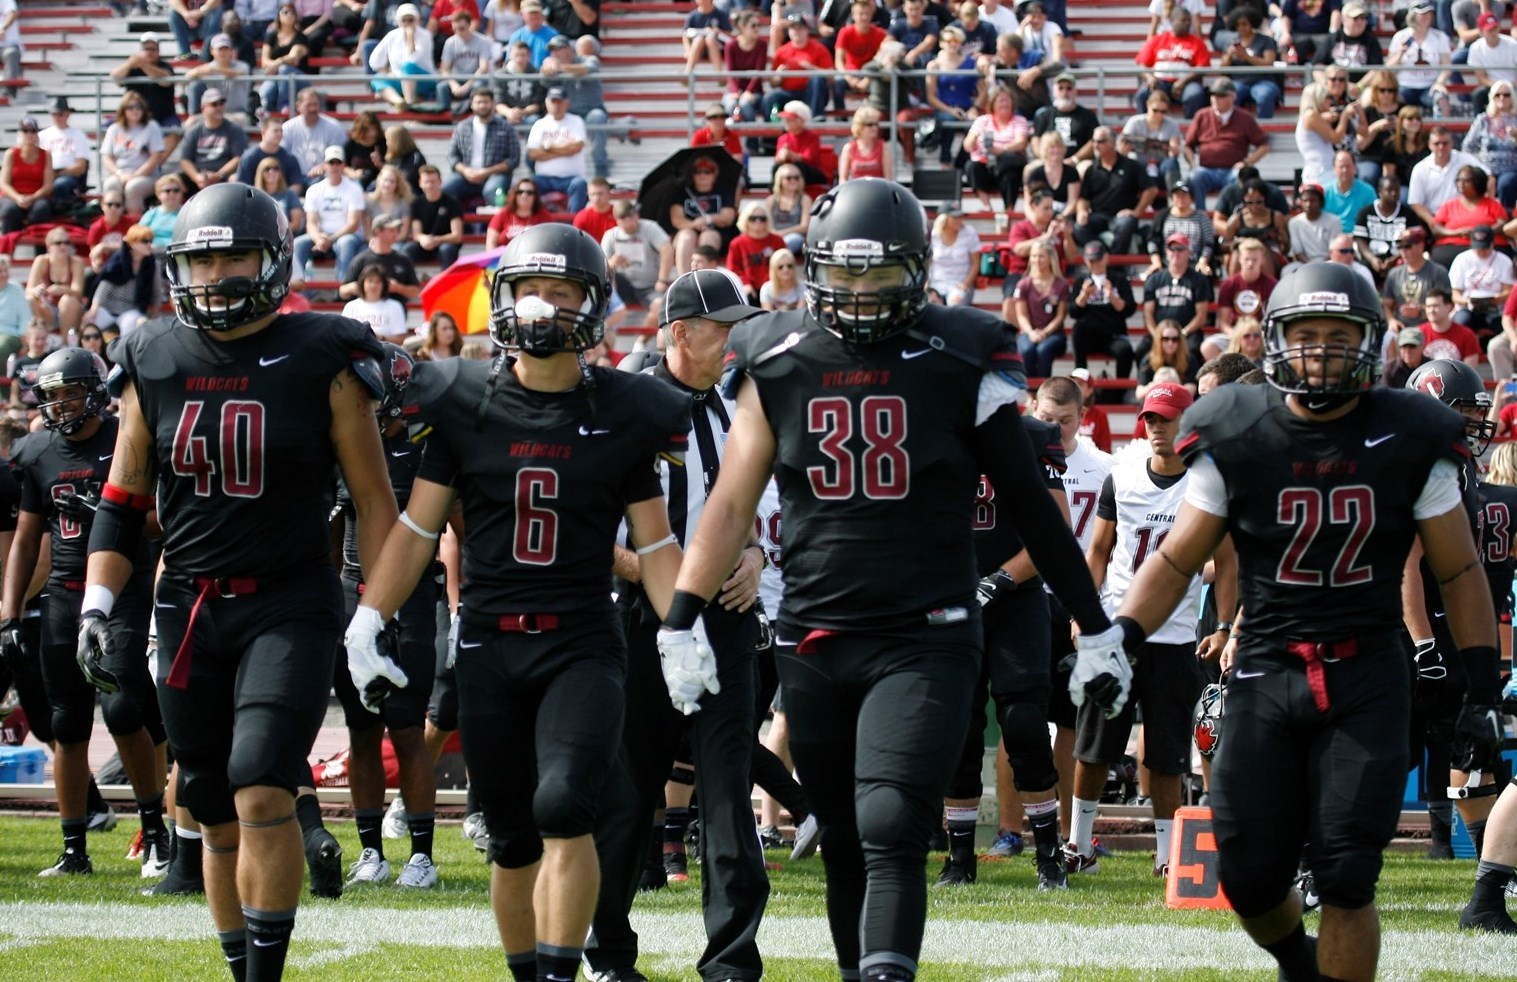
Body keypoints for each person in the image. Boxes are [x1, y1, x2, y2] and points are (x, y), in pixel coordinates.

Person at [1109, 261, 1496, 981]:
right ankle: (1297, 962)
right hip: (1267, 663)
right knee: (1249, 875)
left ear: (1369, 343)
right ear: (1278, 342)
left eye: (1338, 336)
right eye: (1306, 335)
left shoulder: (1412, 433)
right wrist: (1120, 638)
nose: (1321, 352)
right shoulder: (1234, 426)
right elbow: (1177, 558)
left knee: (1346, 872)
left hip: (1366, 670)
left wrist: (1479, 687)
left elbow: (1458, 569)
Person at [345, 222, 688, 982]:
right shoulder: (461, 399)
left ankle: (562, 974)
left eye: (559, 291)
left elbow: (656, 542)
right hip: (489, 644)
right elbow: (416, 529)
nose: (540, 306)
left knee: (564, 805)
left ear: (591, 305)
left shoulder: (628, 407)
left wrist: (681, 626)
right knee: (511, 838)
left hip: (581, 639)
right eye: (527, 289)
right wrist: (369, 616)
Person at [79, 184, 397, 980]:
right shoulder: (153, 355)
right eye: (200, 262)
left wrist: (377, 610)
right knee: (211, 803)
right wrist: (96, 604)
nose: (215, 277)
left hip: (289, 600)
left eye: (235, 259)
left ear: (273, 262)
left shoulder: (324, 353)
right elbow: (122, 500)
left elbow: (373, 500)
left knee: (260, 783)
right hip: (188, 604)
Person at [583, 266, 770, 980]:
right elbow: (590, 527)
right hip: (640, 619)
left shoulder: (735, 409)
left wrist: (752, 556)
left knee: (727, 796)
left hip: (725, 621)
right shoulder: (627, 406)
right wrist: (658, 578)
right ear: (680, 333)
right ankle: (606, 952)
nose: (732, 343)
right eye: (721, 329)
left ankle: (730, 962)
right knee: (629, 792)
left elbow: (751, 510)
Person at [2, 347, 170, 879]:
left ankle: (155, 833)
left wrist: (110, 512)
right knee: (66, 723)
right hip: (62, 595)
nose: (60, 405)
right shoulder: (37, 451)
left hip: (124, 590)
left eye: (70, 393)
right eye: (51, 396)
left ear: (95, 392)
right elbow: (26, 540)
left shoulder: (128, 439)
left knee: (122, 711)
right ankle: (74, 848)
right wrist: (9, 614)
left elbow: (164, 520)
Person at [1069, 381, 1235, 877]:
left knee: (1166, 756)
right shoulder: (1121, 477)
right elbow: (1099, 551)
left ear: (1189, 422)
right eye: (1150, 419)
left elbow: (1228, 562)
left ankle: (1168, 858)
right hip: (1119, 630)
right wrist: (1084, 614)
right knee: (1094, 747)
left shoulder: (1207, 483)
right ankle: (1078, 844)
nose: (1157, 428)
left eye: (1167, 418)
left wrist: (1224, 626)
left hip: (1176, 634)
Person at [1182, 79, 1271, 204]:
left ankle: (1233, 214)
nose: (1215, 99)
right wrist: (1193, 163)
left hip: (1232, 170)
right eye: (1213, 95)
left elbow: (1264, 147)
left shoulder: (1245, 118)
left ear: (1233, 97)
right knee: (1195, 176)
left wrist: (1247, 162)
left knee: (1240, 177)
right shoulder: (1201, 115)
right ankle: (1200, 214)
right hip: (1205, 170)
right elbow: (1187, 145)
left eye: (1221, 95)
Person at [292, 146, 367, 287]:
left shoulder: (354, 189)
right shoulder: (314, 190)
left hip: (346, 235)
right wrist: (319, 238)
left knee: (345, 243)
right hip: (321, 236)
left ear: (343, 165)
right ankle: (298, 288)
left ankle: (343, 288)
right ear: (324, 165)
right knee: (297, 244)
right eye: (331, 163)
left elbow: (353, 224)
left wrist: (330, 239)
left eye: (338, 162)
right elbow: (311, 222)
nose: (334, 166)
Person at [1074, 125, 1149, 255]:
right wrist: (1081, 211)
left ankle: (1115, 262)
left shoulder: (1131, 166)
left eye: (1100, 141)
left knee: (1127, 222)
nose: (1095, 145)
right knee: (1078, 228)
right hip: (1098, 216)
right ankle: (1103, 254)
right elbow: (1084, 197)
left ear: (1112, 143)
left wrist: (1136, 212)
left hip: (1121, 216)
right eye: (1093, 141)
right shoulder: (1091, 169)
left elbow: (1151, 189)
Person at [444, 87, 521, 207]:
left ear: (493, 103)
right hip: (465, 176)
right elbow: (452, 156)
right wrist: (466, 171)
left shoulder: (506, 128)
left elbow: (514, 159)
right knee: (444, 191)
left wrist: (487, 172)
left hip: (495, 176)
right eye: (478, 102)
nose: (482, 105)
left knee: (495, 194)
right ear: (472, 104)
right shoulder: (462, 127)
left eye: (485, 102)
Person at [1069, 240, 1135, 381]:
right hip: (1089, 337)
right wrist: (1084, 295)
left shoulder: (1119, 279)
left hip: (1113, 335)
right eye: (1091, 260)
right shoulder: (1081, 281)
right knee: (1078, 328)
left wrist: (1112, 296)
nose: (1095, 264)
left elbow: (1129, 310)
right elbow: (1073, 312)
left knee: (1125, 351)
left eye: (1098, 259)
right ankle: (1081, 380)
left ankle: (1119, 391)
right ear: (1085, 260)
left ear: (1105, 258)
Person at [964, 86, 1032, 221]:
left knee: (1011, 173)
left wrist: (1001, 149)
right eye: (1001, 100)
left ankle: (1009, 209)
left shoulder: (1019, 120)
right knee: (972, 166)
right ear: (992, 103)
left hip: (1007, 165)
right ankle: (986, 205)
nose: (1005, 104)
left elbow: (1021, 143)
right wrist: (975, 137)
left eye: (1007, 100)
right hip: (985, 163)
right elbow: (967, 145)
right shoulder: (982, 121)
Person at [110, 33, 182, 161]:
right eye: (146, 49)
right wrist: (129, 63)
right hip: (133, 117)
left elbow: (166, 80)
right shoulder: (132, 68)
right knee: (106, 127)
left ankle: (155, 165)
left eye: (153, 49)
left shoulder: (165, 67)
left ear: (158, 51)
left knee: (176, 131)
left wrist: (144, 65)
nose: (149, 52)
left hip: (162, 117)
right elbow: (115, 77)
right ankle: (125, 163)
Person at [1133, 7, 1210, 118]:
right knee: (1143, 94)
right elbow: (1142, 65)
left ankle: (1191, 126)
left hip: (1187, 83)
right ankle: (1143, 125)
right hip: (1160, 82)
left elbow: (1202, 68)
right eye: (1183, 20)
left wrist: (1183, 81)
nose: (1187, 23)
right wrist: (1149, 77)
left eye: (1188, 21)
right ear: (1172, 20)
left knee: (1195, 95)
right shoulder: (1157, 40)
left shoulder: (1197, 42)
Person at [668, 155, 737, 276]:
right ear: (692, 174)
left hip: (716, 232)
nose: (702, 175)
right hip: (688, 230)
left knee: (708, 236)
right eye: (698, 171)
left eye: (707, 171)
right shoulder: (683, 192)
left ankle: (704, 277)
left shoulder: (723, 191)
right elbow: (677, 220)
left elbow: (728, 217)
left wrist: (708, 219)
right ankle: (684, 278)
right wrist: (694, 224)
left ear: (714, 174)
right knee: (687, 236)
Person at [101, 94, 167, 218]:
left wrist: (135, 175)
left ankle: (133, 224)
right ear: (123, 110)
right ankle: (113, 223)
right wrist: (119, 173)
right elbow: (106, 157)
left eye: (139, 107)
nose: (135, 110)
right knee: (110, 185)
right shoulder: (114, 129)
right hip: (120, 174)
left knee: (133, 187)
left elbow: (155, 157)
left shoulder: (151, 127)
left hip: (147, 176)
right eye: (130, 107)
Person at [1409, 125, 1484, 232]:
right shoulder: (1420, 168)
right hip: (1434, 218)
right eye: (1437, 143)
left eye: (1445, 143)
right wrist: (1433, 223)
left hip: (1464, 216)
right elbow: (1416, 203)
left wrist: (1482, 206)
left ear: (1452, 143)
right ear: (1429, 144)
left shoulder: (1466, 159)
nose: (1441, 147)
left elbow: (1489, 177)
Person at [1012, 241, 1069, 378]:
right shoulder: (1023, 284)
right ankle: (1030, 388)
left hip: (1054, 334)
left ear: (1050, 258)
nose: (1036, 260)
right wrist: (1031, 332)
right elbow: (1021, 315)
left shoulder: (1061, 284)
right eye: (1034, 256)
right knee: (1027, 350)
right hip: (1028, 332)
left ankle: (1044, 387)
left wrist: (1044, 332)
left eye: (1041, 256)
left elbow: (1060, 316)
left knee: (1044, 350)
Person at [527, 88, 589, 213]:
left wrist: (548, 147)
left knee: (580, 184)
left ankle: (573, 222)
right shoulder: (539, 124)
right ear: (546, 103)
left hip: (571, 178)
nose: (556, 105)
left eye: (559, 101)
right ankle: (532, 220)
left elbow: (577, 147)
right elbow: (533, 154)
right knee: (527, 186)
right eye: (553, 101)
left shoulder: (576, 121)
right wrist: (566, 149)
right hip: (543, 178)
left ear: (567, 103)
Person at [1383, 227, 1453, 338]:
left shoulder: (1438, 272)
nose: (1403, 251)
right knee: (1388, 338)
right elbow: (1386, 305)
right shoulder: (1394, 274)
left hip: (1431, 328)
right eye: (1400, 247)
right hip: (1401, 327)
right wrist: (1391, 320)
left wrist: (1420, 312)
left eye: (1408, 247)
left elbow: (1446, 307)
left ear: (1421, 246)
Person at [1449, 223, 1514, 340]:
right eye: (1478, 248)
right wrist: (1468, 301)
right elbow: (1455, 295)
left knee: (1501, 326)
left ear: (1492, 244)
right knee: (1461, 322)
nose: (1481, 251)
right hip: (1467, 307)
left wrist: (1496, 299)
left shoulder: (1504, 261)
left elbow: (1509, 291)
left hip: (1495, 309)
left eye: (1485, 248)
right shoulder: (1461, 259)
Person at [179, 90, 249, 194]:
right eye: (214, 104)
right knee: (173, 182)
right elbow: (185, 160)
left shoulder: (235, 130)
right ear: (203, 108)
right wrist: (197, 177)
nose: (219, 107)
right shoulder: (193, 131)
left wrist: (219, 175)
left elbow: (239, 158)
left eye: (221, 103)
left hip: (225, 177)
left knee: (236, 180)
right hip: (198, 177)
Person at [1355, 173, 1422, 281]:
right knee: (1361, 268)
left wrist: (1394, 259)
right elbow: (1360, 241)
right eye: (1389, 190)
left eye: (1397, 190)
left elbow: (1415, 241)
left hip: (1400, 260)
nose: (1394, 193)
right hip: (1372, 260)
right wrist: (1372, 259)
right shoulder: (1366, 212)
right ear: (1380, 192)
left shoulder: (1408, 214)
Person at [369, 2, 436, 110]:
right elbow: (374, 59)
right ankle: (399, 102)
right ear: (399, 22)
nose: (407, 23)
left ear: (417, 20)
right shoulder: (392, 35)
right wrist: (387, 72)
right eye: (404, 20)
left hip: (424, 79)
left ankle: (410, 103)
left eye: (410, 20)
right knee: (377, 78)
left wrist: (410, 37)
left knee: (408, 66)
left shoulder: (425, 35)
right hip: (400, 79)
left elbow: (412, 59)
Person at [1462, 79, 1517, 210]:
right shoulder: (1482, 119)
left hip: (1511, 168)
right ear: (1492, 97)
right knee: (1478, 180)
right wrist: (1483, 168)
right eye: (1498, 95)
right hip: (1485, 167)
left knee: (1506, 184)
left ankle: (1506, 215)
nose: (1502, 98)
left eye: (1506, 94)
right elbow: (1467, 147)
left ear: (1512, 98)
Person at [1221, 8, 1283, 118]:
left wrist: (1247, 57)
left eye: (1244, 24)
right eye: (1237, 25)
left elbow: (1269, 63)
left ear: (1252, 23)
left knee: (1265, 95)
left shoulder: (1266, 40)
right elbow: (1223, 68)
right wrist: (1229, 55)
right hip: (1239, 81)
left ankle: (1264, 125)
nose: (1241, 28)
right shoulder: (1231, 42)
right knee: (1230, 94)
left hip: (1263, 81)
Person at [282, 89, 348, 189]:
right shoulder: (287, 128)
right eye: (309, 105)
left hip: (323, 178)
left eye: (315, 105)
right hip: (294, 178)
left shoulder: (333, 127)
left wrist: (324, 166)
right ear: (298, 106)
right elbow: (280, 156)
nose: (313, 109)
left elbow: (340, 156)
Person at [404, 164, 465, 270]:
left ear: (440, 182)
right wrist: (423, 239)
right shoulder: (417, 204)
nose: (429, 185)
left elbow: (457, 236)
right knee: (407, 250)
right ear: (420, 183)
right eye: (426, 182)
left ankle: (446, 280)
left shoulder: (452, 203)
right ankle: (408, 279)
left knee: (446, 249)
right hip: (424, 245)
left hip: (445, 244)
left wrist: (435, 240)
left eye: (433, 182)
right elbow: (416, 234)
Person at [0, 117, 54, 236]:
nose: (29, 134)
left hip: (37, 196)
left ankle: (40, 246)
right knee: (10, 209)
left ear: (37, 134)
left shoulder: (46, 155)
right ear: (19, 133)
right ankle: (7, 245)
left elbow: (48, 185)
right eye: (25, 131)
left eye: (33, 131)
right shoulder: (11, 153)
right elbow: (4, 183)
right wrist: (18, 197)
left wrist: (32, 198)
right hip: (13, 196)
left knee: (41, 209)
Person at [26, 228, 84, 336]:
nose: (63, 246)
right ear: (49, 246)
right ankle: (41, 338)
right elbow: (29, 290)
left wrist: (64, 290)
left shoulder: (76, 262)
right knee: (30, 299)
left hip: (70, 309)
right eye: (58, 243)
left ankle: (66, 341)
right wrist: (37, 290)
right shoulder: (41, 260)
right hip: (47, 308)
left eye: (66, 243)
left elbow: (78, 292)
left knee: (68, 300)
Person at [187, 32, 252, 126]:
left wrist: (215, 69)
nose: (223, 52)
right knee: (191, 122)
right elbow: (188, 75)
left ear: (231, 51)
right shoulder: (209, 68)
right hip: (213, 113)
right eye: (220, 49)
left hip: (237, 113)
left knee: (240, 120)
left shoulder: (242, 66)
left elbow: (241, 73)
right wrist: (198, 72)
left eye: (226, 49)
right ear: (211, 51)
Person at [37, 98, 90, 212]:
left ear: (67, 114)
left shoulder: (78, 135)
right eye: (54, 114)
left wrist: (56, 174)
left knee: (61, 184)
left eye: (60, 114)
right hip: (44, 174)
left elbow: (81, 167)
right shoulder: (42, 136)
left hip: (68, 176)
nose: (57, 117)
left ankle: (58, 211)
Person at [439, 10, 494, 117]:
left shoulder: (482, 41)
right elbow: (444, 69)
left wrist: (467, 86)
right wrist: (453, 84)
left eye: (461, 28)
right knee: (442, 87)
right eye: (455, 29)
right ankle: (445, 118)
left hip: (475, 79)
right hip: (457, 79)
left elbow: (483, 68)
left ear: (469, 25)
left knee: (479, 86)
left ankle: (475, 116)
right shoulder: (450, 42)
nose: (458, 32)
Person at [928, 208, 981, 307]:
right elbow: (927, 262)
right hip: (936, 284)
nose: (960, 220)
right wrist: (927, 286)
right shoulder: (933, 234)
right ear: (944, 219)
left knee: (954, 305)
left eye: (961, 217)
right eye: (955, 217)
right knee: (930, 305)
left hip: (960, 283)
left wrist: (965, 284)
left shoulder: (969, 232)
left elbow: (975, 263)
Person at [1421, 286, 1484, 367]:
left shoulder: (1466, 334)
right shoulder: (1419, 333)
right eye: (1428, 306)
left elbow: (1470, 369)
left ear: (1450, 307)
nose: (1431, 310)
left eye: (1436, 306)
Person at [236, 118, 304, 193]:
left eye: (281, 131)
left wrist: (285, 197)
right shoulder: (249, 157)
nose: (279, 134)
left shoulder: (289, 157)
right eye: (275, 131)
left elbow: (297, 184)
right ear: (263, 132)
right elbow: (242, 185)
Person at [1324, 149, 1379, 239]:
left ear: (1355, 168)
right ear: (1334, 169)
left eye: (1348, 166)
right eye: (1341, 167)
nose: (1345, 170)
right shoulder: (1325, 192)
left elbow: (1373, 219)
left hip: (1358, 238)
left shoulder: (1368, 191)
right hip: (1330, 238)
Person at [485, 177, 551, 250]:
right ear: (514, 194)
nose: (524, 195)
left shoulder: (544, 215)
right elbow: (490, 243)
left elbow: (549, 242)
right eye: (520, 192)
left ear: (535, 196)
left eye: (529, 192)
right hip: (504, 256)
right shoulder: (503, 214)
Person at [837, 105, 893, 183]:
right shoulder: (848, 148)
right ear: (860, 126)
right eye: (870, 125)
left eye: (876, 124)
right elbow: (842, 179)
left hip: (877, 189)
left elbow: (888, 179)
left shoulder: (883, 147)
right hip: (856, 189)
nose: (875, 128)